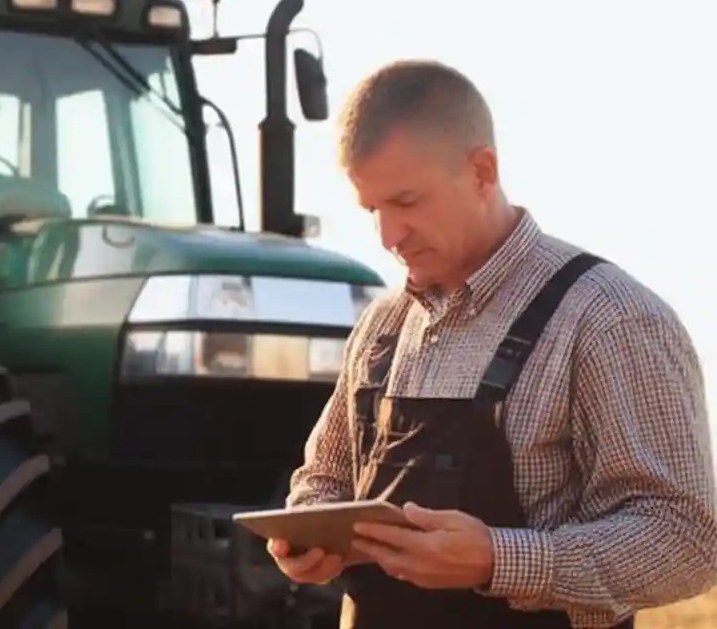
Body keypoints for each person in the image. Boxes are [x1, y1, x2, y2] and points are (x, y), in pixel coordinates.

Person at [269, 59, 717, 629]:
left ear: (483, 171)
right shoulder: (382, 324)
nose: (387, 237)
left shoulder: (610, 318)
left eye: (407, 202)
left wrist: (498, 560)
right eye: (372, 209)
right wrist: (308, 532)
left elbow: (686, 541)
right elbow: (323, 479)